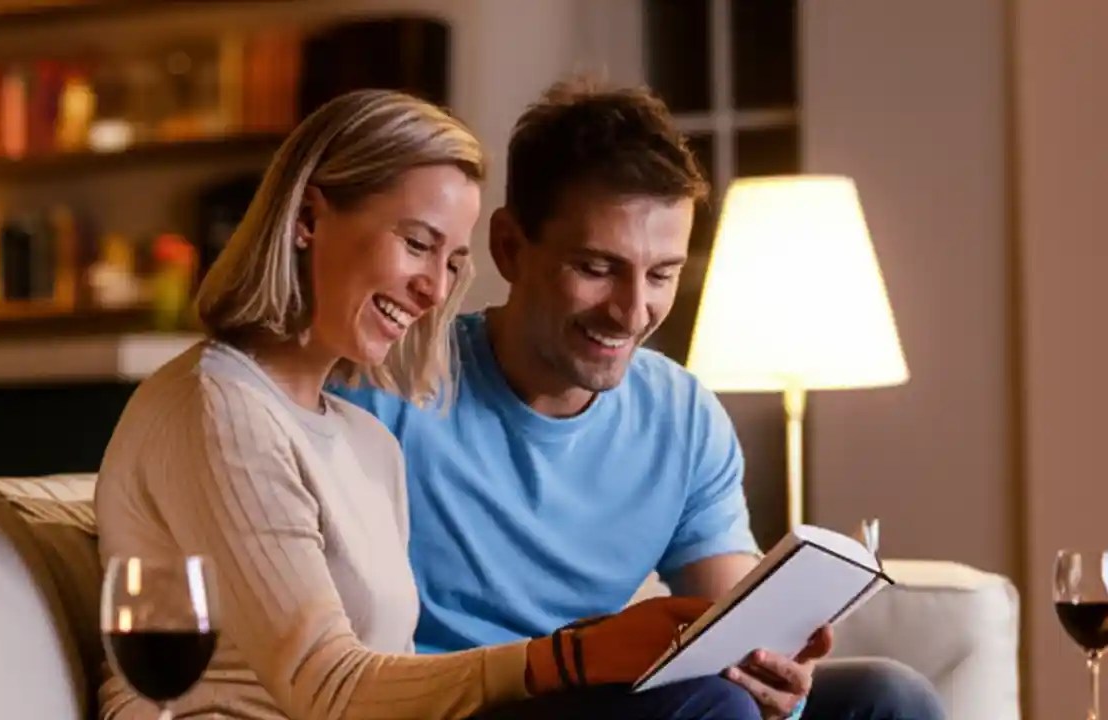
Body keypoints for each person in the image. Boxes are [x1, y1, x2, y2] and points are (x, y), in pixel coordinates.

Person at [95, 88, 761, 720]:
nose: (434, 290)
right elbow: (326, 685)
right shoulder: (217, 404)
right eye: (416, 244)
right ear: (306, 220)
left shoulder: (360, 436)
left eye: (450, 262)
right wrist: (568, 657)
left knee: (861, 692)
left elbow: (388, 668)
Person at [333, 80, 948, 720]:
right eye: (597, 268)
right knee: (712, 706)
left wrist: (776, 671)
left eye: (661, 274)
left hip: (616, 700)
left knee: (890, 698)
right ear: (510, 247)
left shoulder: (680, 414)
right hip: (463, 703)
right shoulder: (388, 386)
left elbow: (731, 629)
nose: (631, 312)